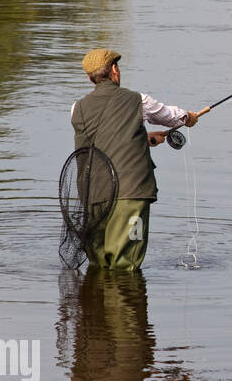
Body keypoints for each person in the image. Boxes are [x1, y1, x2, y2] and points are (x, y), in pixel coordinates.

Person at [69, 48, 201, 270]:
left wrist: (143, 137)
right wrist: (189, 117)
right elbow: (170, 117)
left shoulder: (77, 109)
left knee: (99, 264)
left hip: (93, 194)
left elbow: (101, 138)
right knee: (125, 264)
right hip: (130, 195)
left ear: (89, 77)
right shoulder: (137, 100)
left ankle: (96, 303)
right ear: (114, 70)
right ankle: (126, 304)